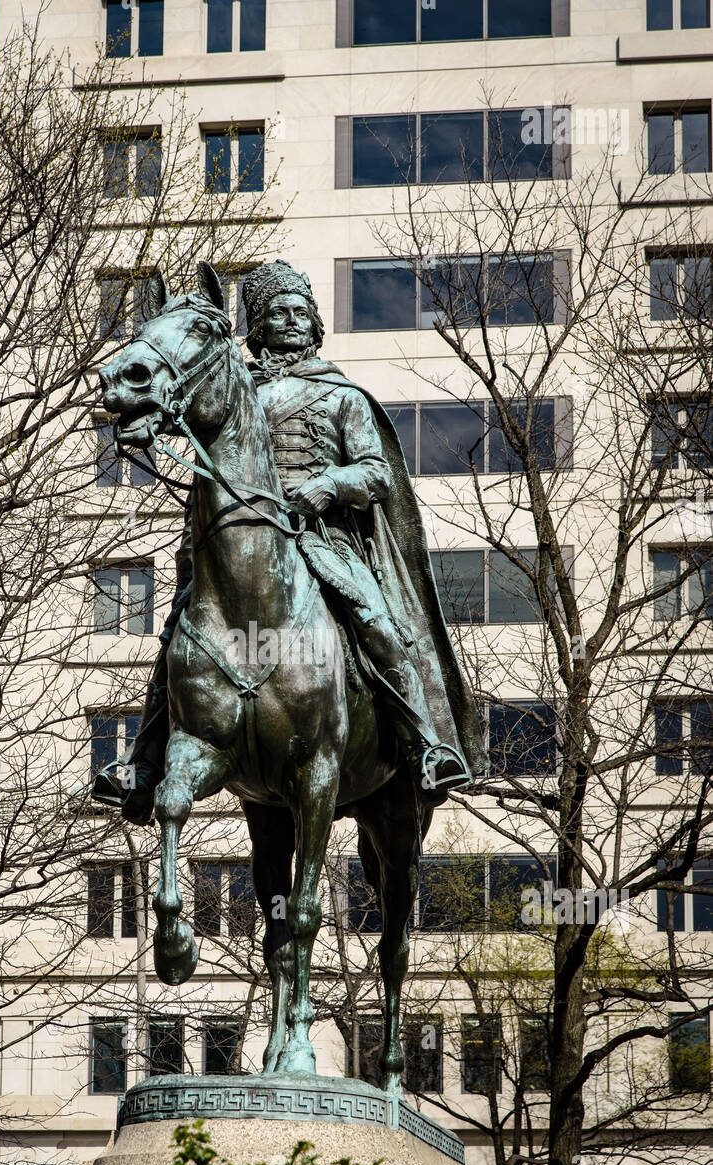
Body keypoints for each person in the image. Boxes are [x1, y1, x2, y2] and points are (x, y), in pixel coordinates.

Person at [92, 261, 485, 821]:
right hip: (238, 538)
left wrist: (329, 484)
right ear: (258, 326)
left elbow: (378, 473)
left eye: (302, 312)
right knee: (180, 630)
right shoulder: (235, 381)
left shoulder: (340, 395)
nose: (292, 321)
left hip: (323, 536)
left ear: (317, 323)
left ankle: (427, 743)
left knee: (375, 618)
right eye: (278, 313)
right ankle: (145, 763)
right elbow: (180, 407)